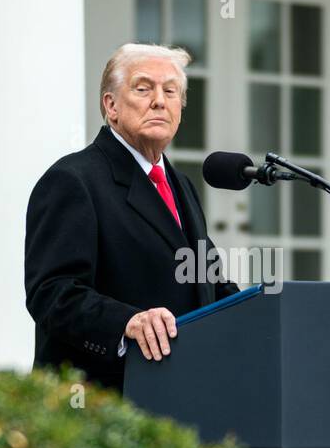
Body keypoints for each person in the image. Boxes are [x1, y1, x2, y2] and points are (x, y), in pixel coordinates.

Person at [24, 43, 240, 391]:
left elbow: (209, 282)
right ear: (111, 105)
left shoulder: (180, 185)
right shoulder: (72, 180)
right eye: (143, 88)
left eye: (171, 91)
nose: (159, 100)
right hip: (100, 402)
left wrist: (265, 310)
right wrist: (127, 322)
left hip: (179, 394)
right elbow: (51, 294)